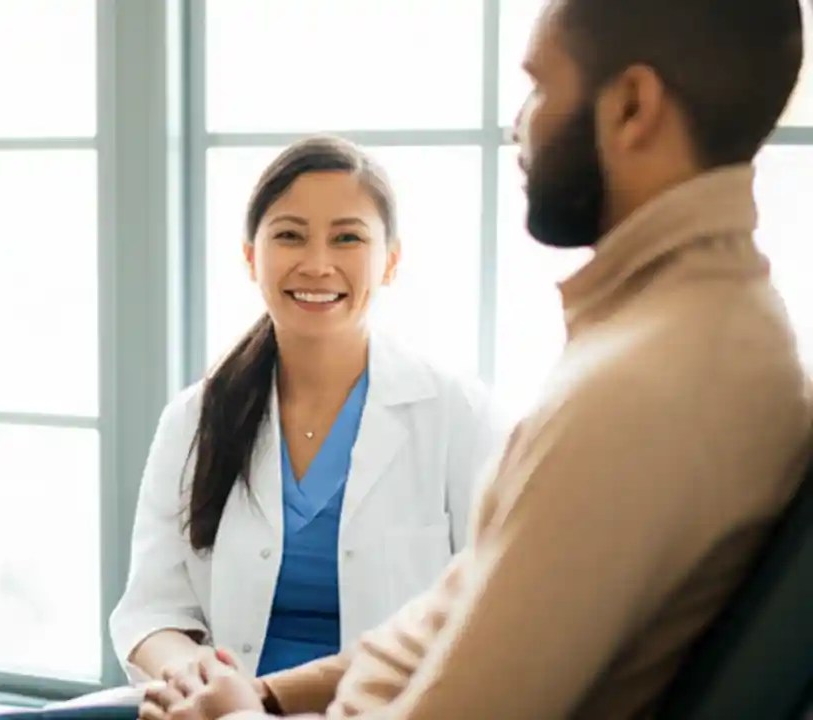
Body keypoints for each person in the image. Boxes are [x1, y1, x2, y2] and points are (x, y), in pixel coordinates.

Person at [153, 0, 812, 718]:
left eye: (540, 87)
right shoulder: (689, 336)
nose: (518, 124)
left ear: (631, 107)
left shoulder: (648, 389)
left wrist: (237, 719)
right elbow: (449, 618)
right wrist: (266, 696)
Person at [105, 136, 502, 718]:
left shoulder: (458, 416)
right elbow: (150, 611)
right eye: (289, 235)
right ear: (250, 257)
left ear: (390, 260)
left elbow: (486, 619)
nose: (317, 264)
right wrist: (196, 679)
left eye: (348, 237)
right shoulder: (196, 418)